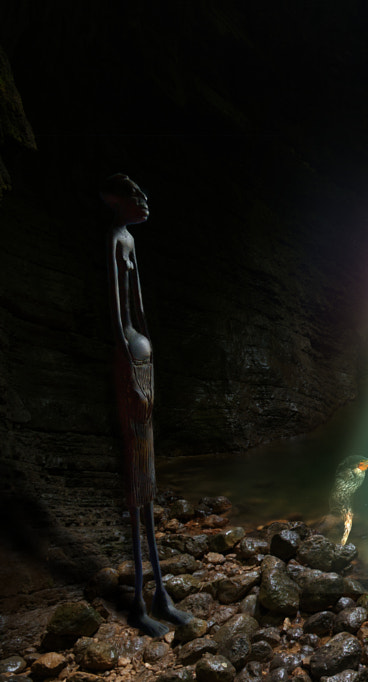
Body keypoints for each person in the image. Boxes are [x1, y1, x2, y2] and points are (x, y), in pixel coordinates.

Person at [102, 173, 191, 637]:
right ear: (114, 199)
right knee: (138, 489)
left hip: (143, 359)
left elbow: (136, 307)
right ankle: (140, 601)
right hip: (132, 363)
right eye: (136, 195)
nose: (145, 201)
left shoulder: (130, 239)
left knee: (149, 488)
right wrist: (127, 344)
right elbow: (119, 308)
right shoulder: (116, 239)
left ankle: (160, 594)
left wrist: (143, 338)